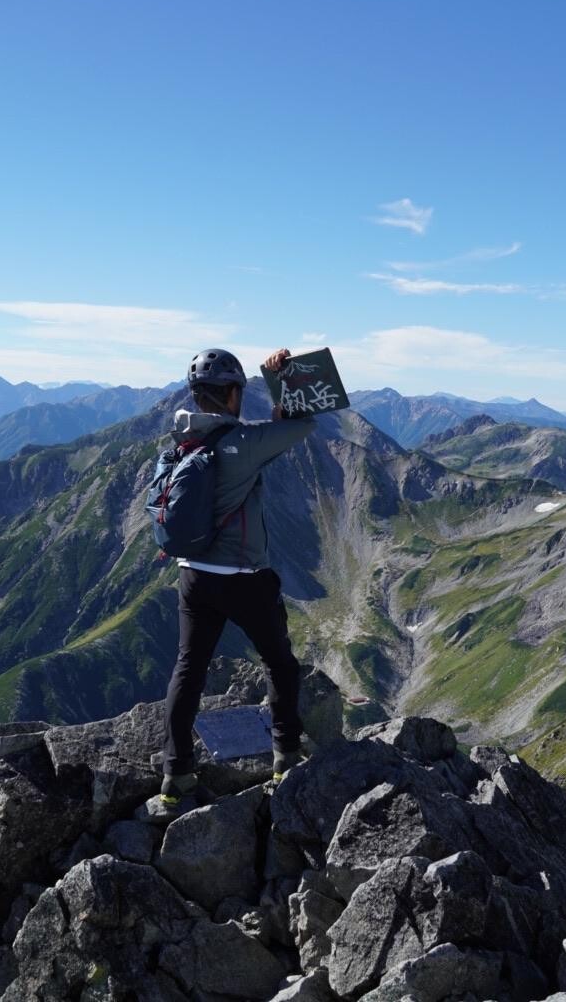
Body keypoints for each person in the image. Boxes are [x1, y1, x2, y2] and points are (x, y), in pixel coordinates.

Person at [154, 346, 317, 815]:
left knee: (189, 670)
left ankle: (176, 776)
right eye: (240, 391)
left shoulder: (182, 442)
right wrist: (277, 381)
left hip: (192, 578)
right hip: (244, 579)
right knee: (280, 665)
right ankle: (286, 758)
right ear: (231, 393)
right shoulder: (240, 444)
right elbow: (302, 427)